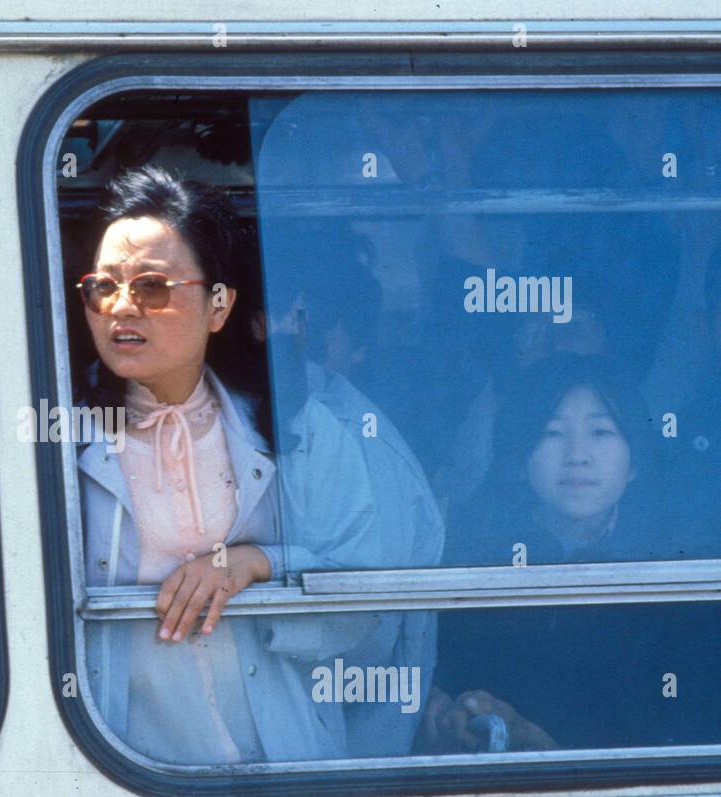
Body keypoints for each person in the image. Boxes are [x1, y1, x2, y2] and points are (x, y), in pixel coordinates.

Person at [77, 166, 393, 765]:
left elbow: (370, 601)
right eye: (103, 287)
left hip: (283, 770)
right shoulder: (51, 439)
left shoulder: (300, 429)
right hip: (125, 780)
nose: (122, 307)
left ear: (219, 306)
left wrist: (258, 565)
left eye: (152, 286)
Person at [426, 355, 696, 752]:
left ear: (634, 461)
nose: (577, 455)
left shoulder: (677, 561)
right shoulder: (474, 556)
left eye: (601, 432)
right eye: (553, 434)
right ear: (520, 459)